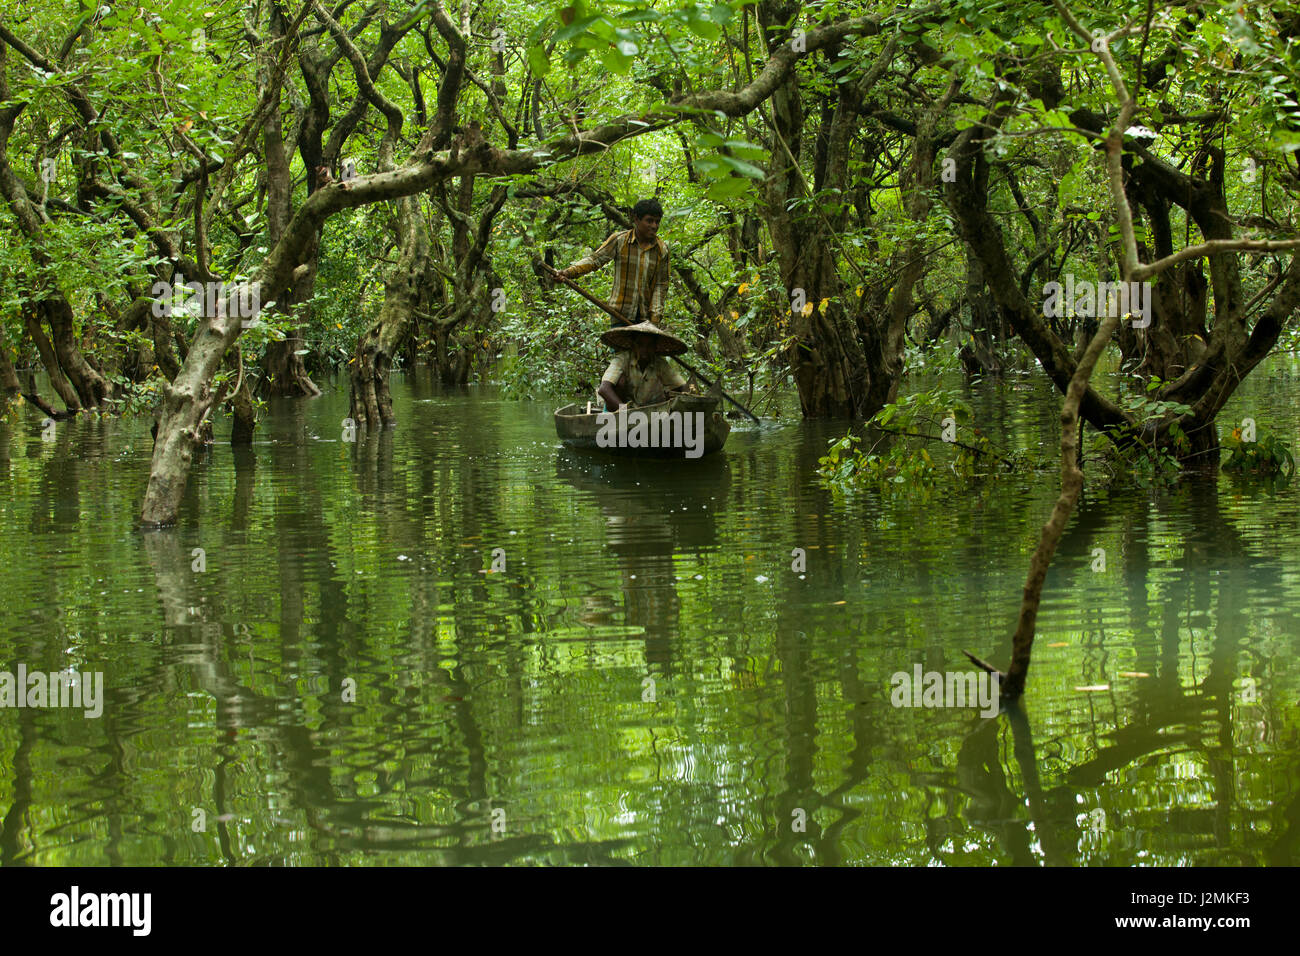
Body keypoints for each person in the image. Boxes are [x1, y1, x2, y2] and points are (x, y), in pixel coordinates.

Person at [557, 198, 669, 327]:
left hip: (645, 320)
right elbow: (595, 260)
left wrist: (654, 319)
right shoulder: (620, 240)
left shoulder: (662, 250)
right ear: (636, 219)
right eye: (649, 221)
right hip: (620, 316)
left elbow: (661, 285)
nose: (654, 226)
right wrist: (567, 273)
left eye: (657, 222)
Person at [596, 321, 693, 412]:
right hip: (624, 408)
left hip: (651, 410)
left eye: (649, 345)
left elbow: (682, 386)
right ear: (634, 345)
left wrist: (689, 395)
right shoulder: (623, 359)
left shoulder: (659, 363)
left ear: (655, 347)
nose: (644, 350)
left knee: (673, 392)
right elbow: (604, 389)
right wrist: (624, 411)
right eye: (640, 344)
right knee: (620, 381)